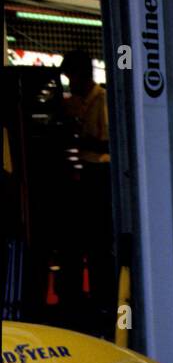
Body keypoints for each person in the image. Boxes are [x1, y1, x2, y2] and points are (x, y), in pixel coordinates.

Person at [59, 50, 112, 332]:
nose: (70, 84)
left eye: (72, 77)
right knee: (84, 242)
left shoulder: (101, 100)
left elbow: (108, 144)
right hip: (85, 177)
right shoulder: (77, 103)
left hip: (99, 176)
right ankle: (88, 298)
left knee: (98, 243)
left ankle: (105, 300)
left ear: (83, 75)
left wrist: (81, 137)